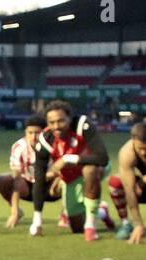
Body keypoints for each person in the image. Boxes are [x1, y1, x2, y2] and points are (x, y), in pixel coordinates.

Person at [34, 99, 113, 240]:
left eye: (61, 121)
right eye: (51, 122)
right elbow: (39, 177)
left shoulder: (82, 125)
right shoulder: (46, 139)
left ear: (70, 118)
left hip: (95, 167)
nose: (56, 126)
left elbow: (102, 158)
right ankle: (101, 212)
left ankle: (90, 226)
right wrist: (37, 220)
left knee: (90, 171)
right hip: (71, 176)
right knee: (76, 227)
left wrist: (67, 159)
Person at [0, 114, 57, 231]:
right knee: (3, 179)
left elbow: (59, 171)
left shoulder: (53, 144)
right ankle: (17, 212)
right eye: (30, 133)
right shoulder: (19, 147)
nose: (33, 137)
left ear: (44, 132)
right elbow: (16, 178)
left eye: (37, 133)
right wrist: (14, 211)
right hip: (28, 187)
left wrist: (43, 177)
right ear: (25, 132)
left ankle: (66, 214)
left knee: (67, 178)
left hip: (49, 186)